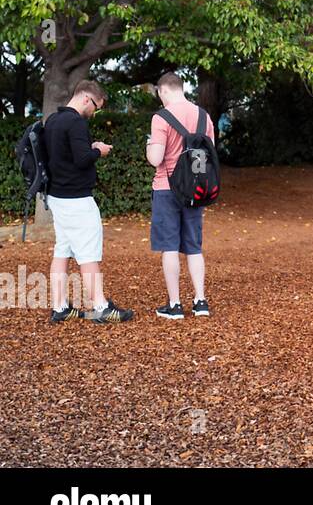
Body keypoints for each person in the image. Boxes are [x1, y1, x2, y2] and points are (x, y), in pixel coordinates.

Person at [44, 80, 134, 324]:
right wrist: (99, 151)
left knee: (62, 250)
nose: (95, 112)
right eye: (96, 106)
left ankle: (60, 307)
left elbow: (63, 155)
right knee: (88, 253)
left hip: (57, 196)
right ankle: (101, 307)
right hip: (77, 199)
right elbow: (83, 159)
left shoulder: (52, 121)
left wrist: (88, 147)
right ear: (85, 98)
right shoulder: (76, 123)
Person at [147, 73, 215, 320]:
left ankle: (175, 305)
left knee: (169, 247)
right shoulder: (203, 116)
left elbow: (155, 158)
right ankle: (200, 301)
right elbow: (210, 152)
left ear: (162, 91)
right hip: (195, 189)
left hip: (166, 188)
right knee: (194, 247)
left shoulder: (160, 118)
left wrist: (148, 147)